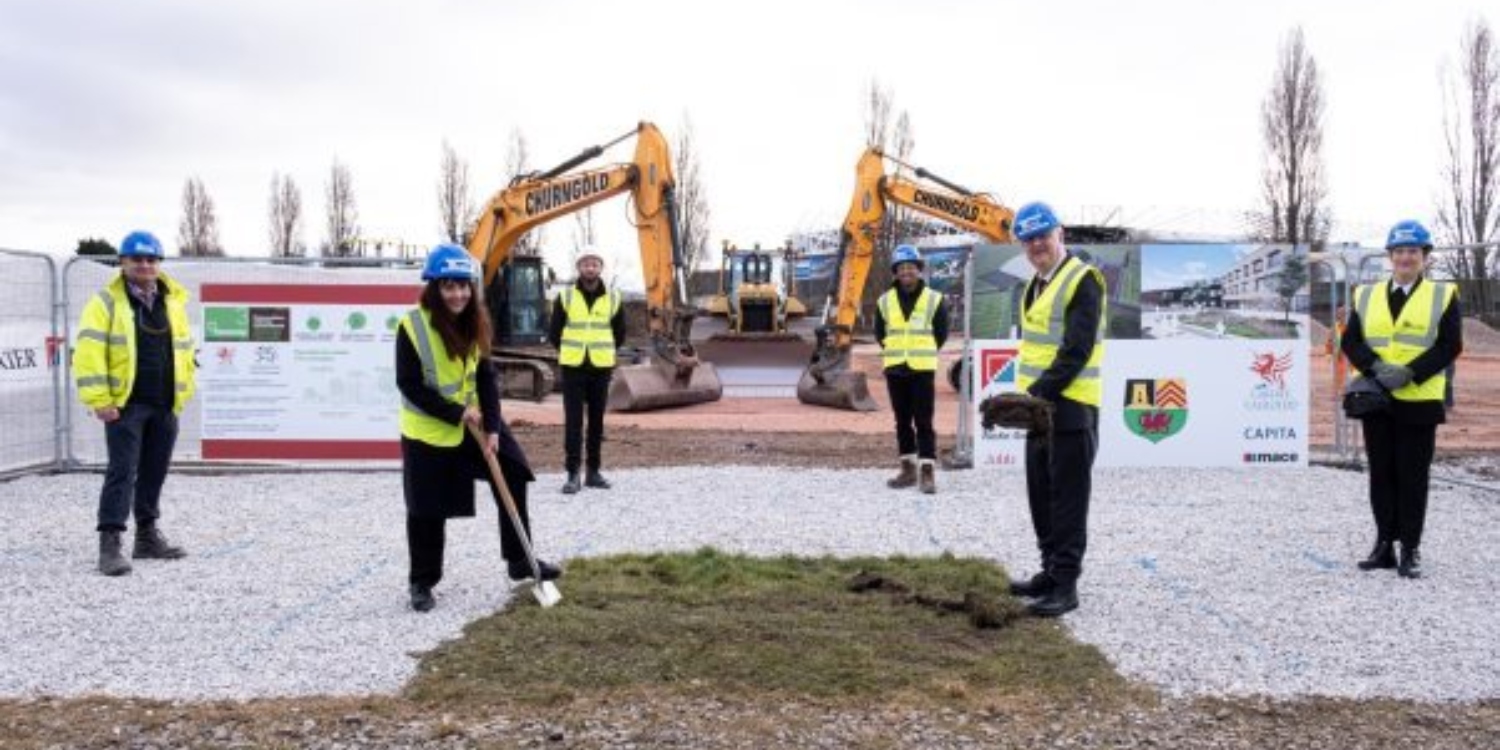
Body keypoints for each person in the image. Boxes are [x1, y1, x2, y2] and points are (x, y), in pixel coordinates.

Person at [397, 244, 561, 612]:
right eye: (448, 286)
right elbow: (408, 385)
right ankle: (422, 581)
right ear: (434, 288)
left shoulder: (477, 321)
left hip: (474, 422)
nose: (457, 294)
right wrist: (457, 413)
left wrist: (494, 427)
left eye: (463, 286)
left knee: (513, 470)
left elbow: (486, 376)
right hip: (428, 431)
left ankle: (520, 560)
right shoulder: (413, 326)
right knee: (426, 508)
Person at [1340, 220, 1462, 579]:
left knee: (1412, 476)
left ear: (1425, 256)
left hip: (1419, 399)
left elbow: (1450, 345)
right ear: (1390, 256)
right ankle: (1384, 547)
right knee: (1381, 474)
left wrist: (1410, 372)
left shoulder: (1443, 295)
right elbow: (1351, 341)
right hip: (1376, 398)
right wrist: (1376, 367)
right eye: (1399, 251)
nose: (1406, 257)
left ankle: (1410, 548)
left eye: (1413, 251)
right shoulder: (1366, 295)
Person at [72, 231, 196, 577]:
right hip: (125, 405)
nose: (144, 265)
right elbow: (88, 354)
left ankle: (147, 536)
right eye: (136, 259)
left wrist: (181, 395)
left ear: (159, 264)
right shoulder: (105, 302)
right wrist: (100, 400)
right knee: (122, 472)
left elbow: (184, 350)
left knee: (154, 471)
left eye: (151, 259)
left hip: (164, 404)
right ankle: (110, 543)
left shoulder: (173, 301)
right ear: (122, 262)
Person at [1005, 203, 1106, 618]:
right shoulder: (1035, 284)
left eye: (1042, 236)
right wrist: (1030, 401)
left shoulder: (1083, 279)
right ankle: (1049, 571)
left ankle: (1066, 585)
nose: (1036, 245)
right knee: (1041, 496)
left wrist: (1036, 394)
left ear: (1059, 233)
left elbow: (1076, 350)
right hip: (1039, 411)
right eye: (1028, 240)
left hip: (1071, 407)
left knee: (1067, 500)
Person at [547, 247, 625, 494]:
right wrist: (570, 352)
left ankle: (593, 472)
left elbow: (619, 333)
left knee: (596, 422)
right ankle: (573, 474)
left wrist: (604, 352)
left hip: (600, 367)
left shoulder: (613, 298)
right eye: (586, 264)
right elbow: (554, 332)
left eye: (594, 264)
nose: (590, 268)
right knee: (573, 422)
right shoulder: (566, 297)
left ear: (601, 268)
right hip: (573, 367)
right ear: (579, 268)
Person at [876, 245, 949, 495]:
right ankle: (907, 468)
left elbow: (941, 334)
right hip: (895, 368)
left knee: (924, 421)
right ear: (895, 272)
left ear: (919, 270)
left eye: (911, 267)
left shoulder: (934, 299)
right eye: (902, 268)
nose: (906, 271)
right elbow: (880, 334)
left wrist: (921, 351)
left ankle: (927, 471)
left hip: (922, 369)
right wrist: (898, 352)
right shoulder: (884, 301)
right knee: (902, 422)